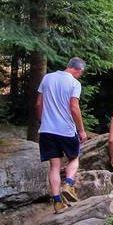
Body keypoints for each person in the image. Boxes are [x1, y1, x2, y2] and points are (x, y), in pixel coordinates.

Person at [36, 57, 88, 212]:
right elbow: (74, 107)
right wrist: (81, 130)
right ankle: (68, 184)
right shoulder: (74, 83)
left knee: (54, 165)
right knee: (74, 158)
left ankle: (58, 202)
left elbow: (39, 103)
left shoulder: (47, 78)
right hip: (65, 130)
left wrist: (42, 121)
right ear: (79, 70)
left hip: (47, 130)